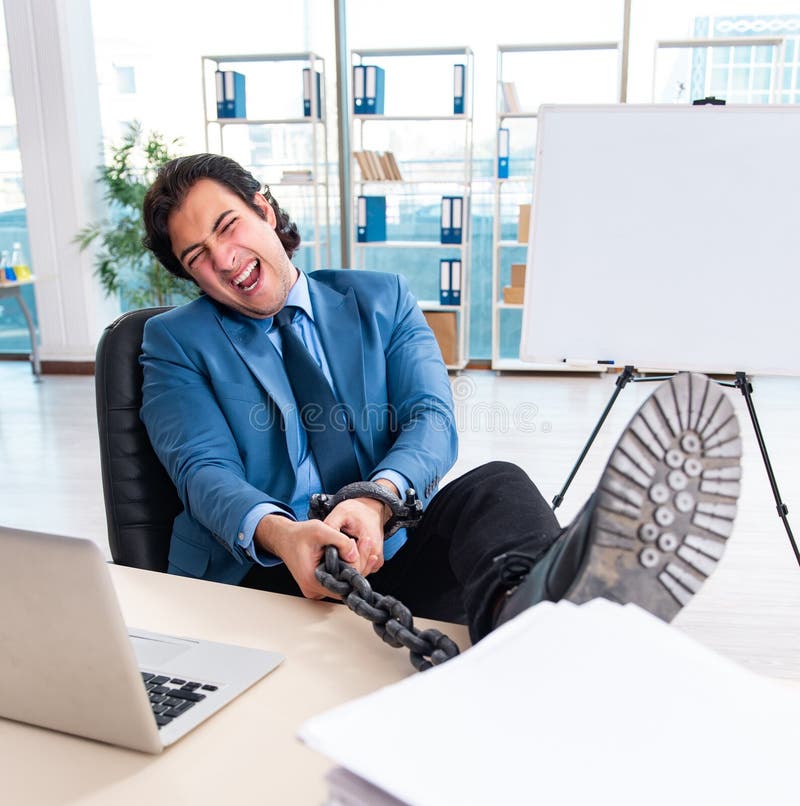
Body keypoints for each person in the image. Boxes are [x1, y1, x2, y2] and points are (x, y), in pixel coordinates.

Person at [139, 153, 742, 645]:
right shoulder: (173, 342)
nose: (223, 259)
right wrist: (284, 533)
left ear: (264, 210)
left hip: (387, 550)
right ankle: (557, 627)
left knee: (499, 484)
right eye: (197, 256)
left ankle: (534, 622)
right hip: (269, 573)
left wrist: (377, 499)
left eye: (228, 226)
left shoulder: (382, 298)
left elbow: (430, 416)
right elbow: (202, 469)